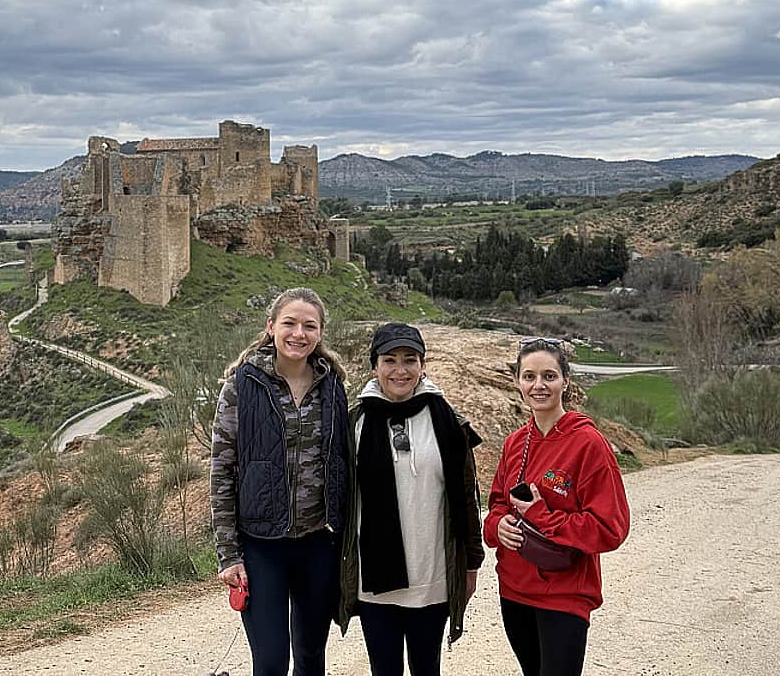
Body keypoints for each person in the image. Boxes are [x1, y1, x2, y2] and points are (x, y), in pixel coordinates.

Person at [209, 287, 350, 676]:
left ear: (320, 333)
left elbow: (342, 465)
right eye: (289, 323)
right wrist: (229, 554)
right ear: (271, 327)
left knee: (310, 657)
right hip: (260, 546)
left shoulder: (333, 387)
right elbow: (222, 471)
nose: (298, 333)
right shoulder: (241, 386)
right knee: (270, 662)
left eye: (309, 325)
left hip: (318, 544)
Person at [338, 322, 485, 676]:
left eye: (410, 359)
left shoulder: (447, 422)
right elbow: (341, 501)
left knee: (427, 669)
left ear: (423, 366)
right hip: (375, 584)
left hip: (431, 578)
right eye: (390, 360)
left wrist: (471, 561)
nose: (400, 370)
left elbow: (467, 496)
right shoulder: (354, 424)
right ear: (375, 367)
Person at [483, 337, 631, 676]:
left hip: (564, 594)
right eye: (529, 376)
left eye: (549, 376)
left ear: (566, 380)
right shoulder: (514, 443)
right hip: (514, 590)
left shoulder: (588, 444)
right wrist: (498, 527)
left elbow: (610, 528)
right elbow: (495, 508)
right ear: (518, 381)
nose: (538, 385)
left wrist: (540, 516)